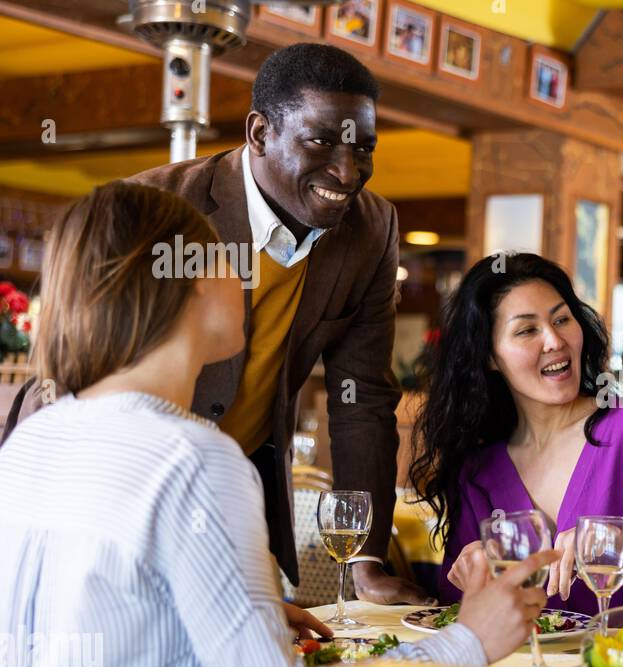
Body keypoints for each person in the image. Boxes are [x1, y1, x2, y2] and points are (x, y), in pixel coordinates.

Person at [0, 182, 553, 667]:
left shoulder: (36, 438)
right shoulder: (196, 461)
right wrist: (470, 640)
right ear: (178, 283)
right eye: (224, 258)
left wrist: (237, 616)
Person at [2, 43, 422, 605]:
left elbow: (363, 397)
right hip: (107, 484)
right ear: (259, 133)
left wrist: (365, 559)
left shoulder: (371, 228)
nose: (347, 172)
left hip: (236, 489)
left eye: (363, 147)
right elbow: (73, 359)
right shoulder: (151, 208)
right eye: (321, 140)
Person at [411, 253, 623, 616]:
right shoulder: (477, 471)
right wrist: (474, 576)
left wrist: (614, 543)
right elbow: (461, 611)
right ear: (489, 357)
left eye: (562, 319)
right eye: (527, 330)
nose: (554, 340)